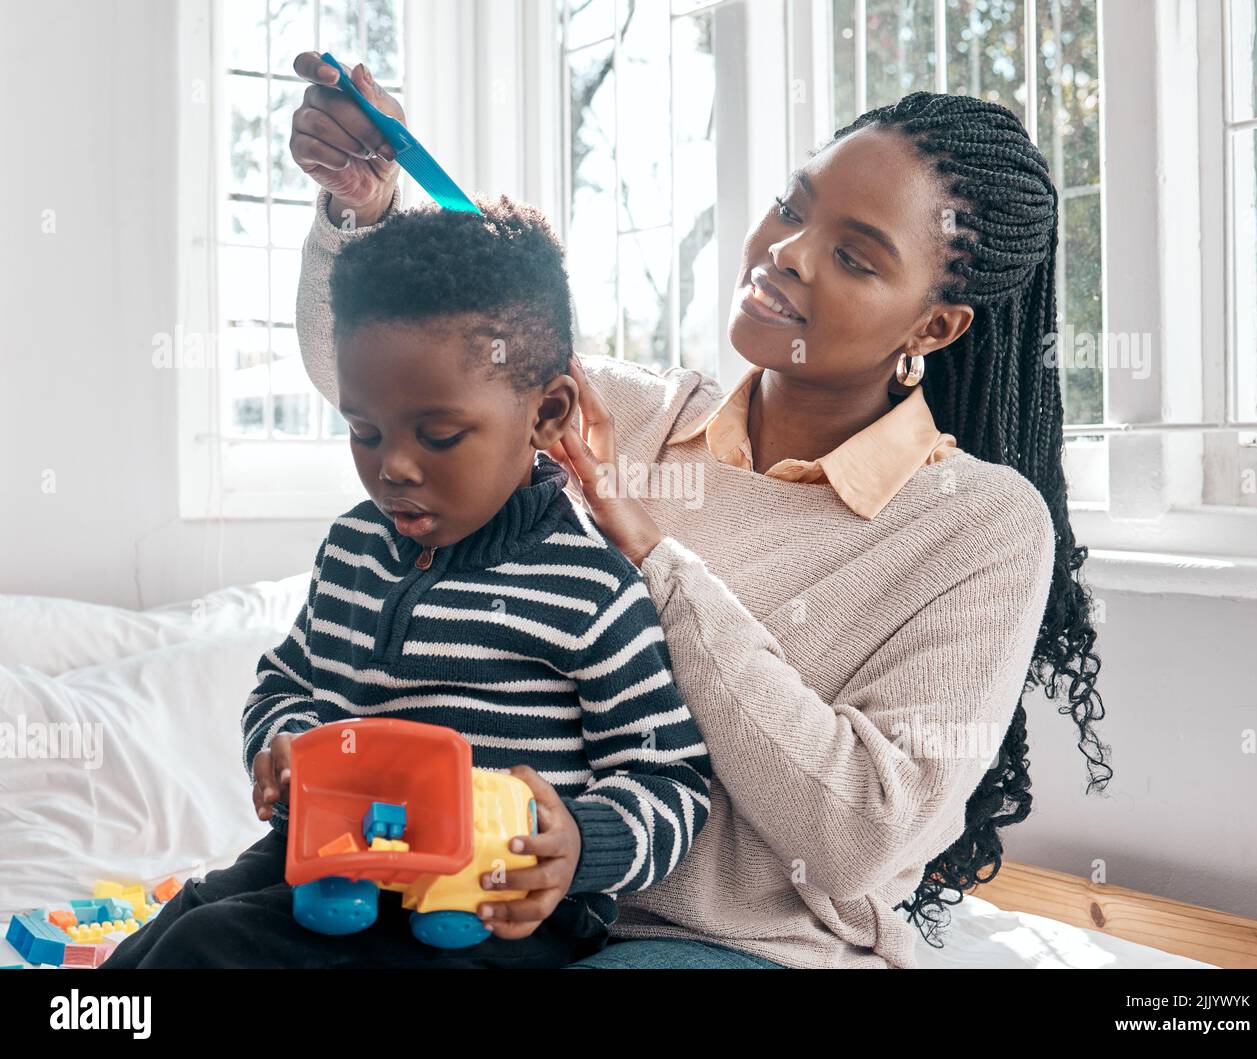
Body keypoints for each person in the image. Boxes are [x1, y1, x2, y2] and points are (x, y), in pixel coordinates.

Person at [287, 55, 1112, 970]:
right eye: (795, 208)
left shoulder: (977, 525)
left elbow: (860, 834)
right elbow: (387, 381)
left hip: (732, 946)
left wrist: (653, 555)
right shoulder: (629, 413)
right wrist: (361, 209)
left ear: (933, 328)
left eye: (853, 256)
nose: (786, 251)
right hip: (513, 913)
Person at [100, 195, 711, 969]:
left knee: (210, 950)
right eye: (365, 431)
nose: (393, 465)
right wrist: (283, 742)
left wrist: (577, 842)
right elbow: (286, 681)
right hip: (340, 855)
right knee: (167, 933)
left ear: (548, 412)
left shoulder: (590, 588)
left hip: (487, 903)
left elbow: (670, 778)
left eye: (439, 434)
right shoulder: (356, 546)